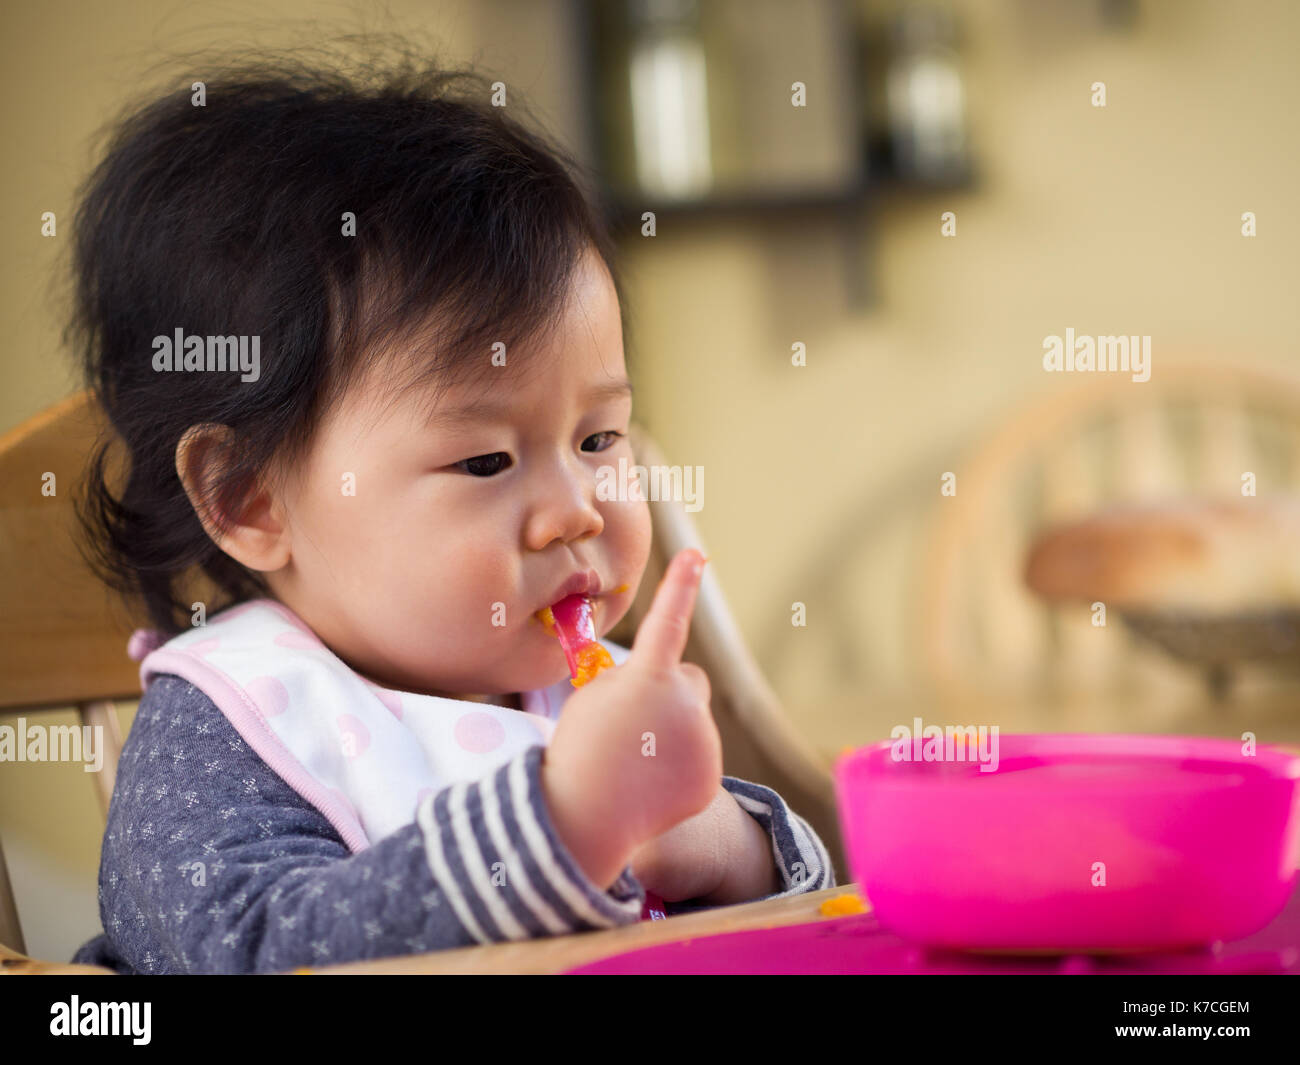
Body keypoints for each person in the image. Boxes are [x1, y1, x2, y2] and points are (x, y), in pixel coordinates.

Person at [66, 49, 834, 974]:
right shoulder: (233, 720)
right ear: (248, 496)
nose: (574, 513)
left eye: (600, 439)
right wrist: (563, 829)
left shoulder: (591, 685)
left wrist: (722, 842)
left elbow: (816, 909)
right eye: (484, 460)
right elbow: (245, 949)